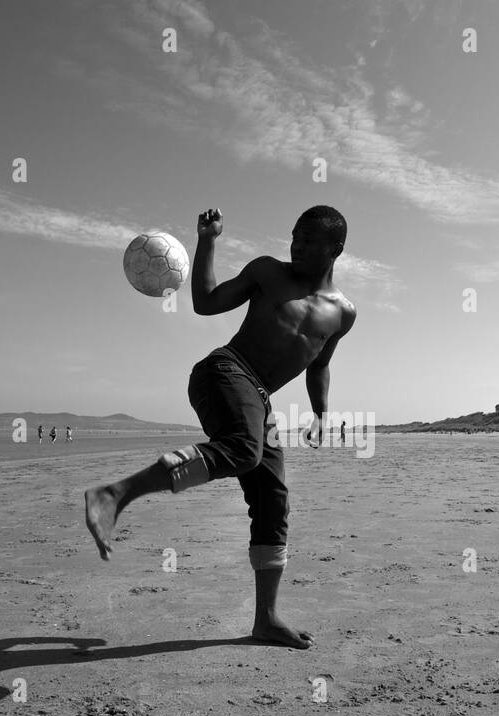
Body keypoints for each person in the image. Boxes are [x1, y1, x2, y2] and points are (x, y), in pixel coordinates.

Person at [85, 205, 356, 650]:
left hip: (260, 397)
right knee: (243, 449)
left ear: (336, 249)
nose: (297, 246)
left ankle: (265, 620)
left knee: (272, 500)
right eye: (295, 236)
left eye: (308, 240)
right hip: (225, 371)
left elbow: (319, 365)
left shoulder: (343, 313)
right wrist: (208, 240)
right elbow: (206, 302)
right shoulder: (268, 272)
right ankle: (113, 495)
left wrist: (321, 413)